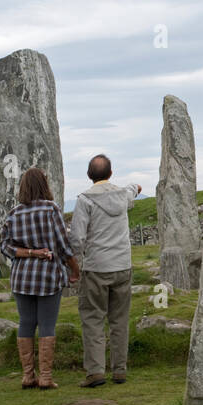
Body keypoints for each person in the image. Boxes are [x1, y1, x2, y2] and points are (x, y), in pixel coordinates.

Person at [0, 167, 78, 390]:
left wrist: (26, 253)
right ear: (45, 185)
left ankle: (27, 376)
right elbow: (64, 246)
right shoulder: (51, 209)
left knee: (26, 322)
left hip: (21, 276)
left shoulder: (14, 213)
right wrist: (75, 269)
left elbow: (4, 245)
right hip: (47, 275)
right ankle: (45, 377)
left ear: (23, 187)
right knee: (46, 324)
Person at [70, 154, 141, 387]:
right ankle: (120, 370)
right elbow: (132, 189)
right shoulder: (122, 196)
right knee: (119, 320)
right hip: (122, 265)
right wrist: (136, 186)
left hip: (97, 267)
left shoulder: (85, 200)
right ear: (111, 174)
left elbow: (77, 239)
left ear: (90, 176)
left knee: (93, 319)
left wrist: (74, 264)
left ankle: (95, 372)